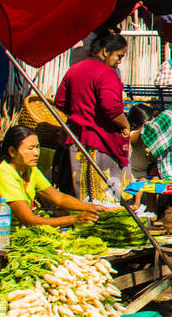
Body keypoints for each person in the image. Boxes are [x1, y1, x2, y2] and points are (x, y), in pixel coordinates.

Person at [55, 29, 132, 203]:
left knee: (83, 191)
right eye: (119, 56)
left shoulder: (74, 69)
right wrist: (125, 125)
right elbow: (111, 108)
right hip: (102, 140)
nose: (119, 62)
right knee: (107, 196)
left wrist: (79, 113)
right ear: (105, 51)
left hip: (76, 139)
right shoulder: (106, 73)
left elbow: (60, 101)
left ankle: (85, 223)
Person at [0, 126, 103, 228]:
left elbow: (58, 198)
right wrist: (74, 219)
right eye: (30, 148)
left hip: (18, 233)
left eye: (37, 147)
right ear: (12, 151)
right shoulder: (5, 175)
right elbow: (28, 220)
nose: (36, 153)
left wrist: (93, 207)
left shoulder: (31, 170)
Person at [126, 104, 154, 181]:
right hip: (132, 179)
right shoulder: (132, 136)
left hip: (145, 177)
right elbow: (140, 133)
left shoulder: (148, 140)